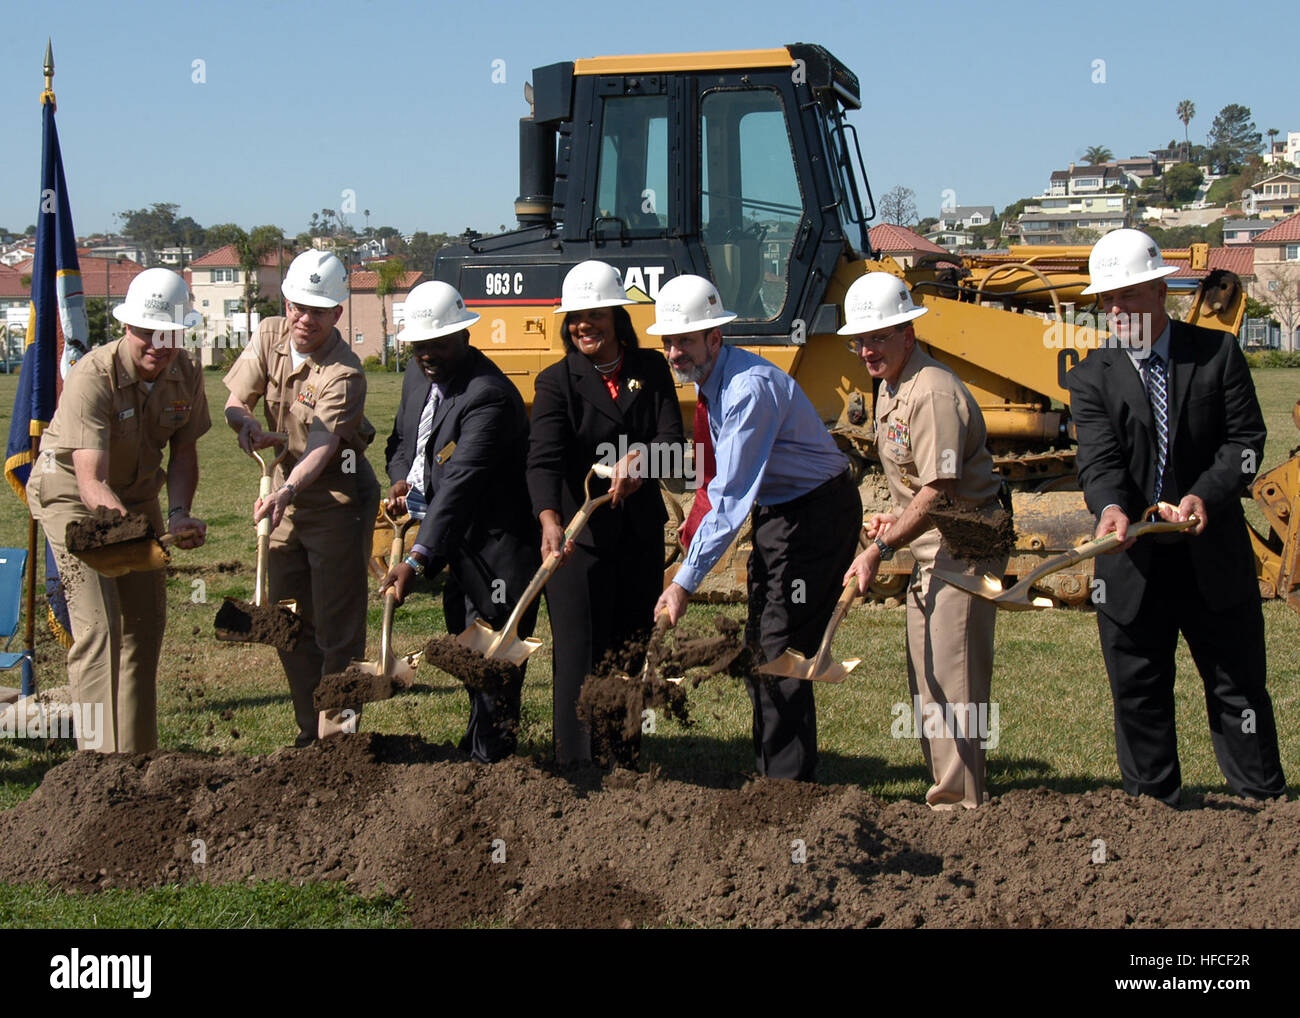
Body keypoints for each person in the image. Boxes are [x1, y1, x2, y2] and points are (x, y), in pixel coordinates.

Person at [1066, 228, 1285, 804]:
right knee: (1139, 694)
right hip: (1132, 566)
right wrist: (1111, 509)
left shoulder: (1217, 355)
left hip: (1214, 559)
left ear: (1161, 289)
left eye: (1128, 296)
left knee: (1237, 689)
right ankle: (1155, 815)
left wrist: (1203, 497)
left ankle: (1263, 807)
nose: (1116, 310)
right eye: (1106, 300)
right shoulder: (1090, 377)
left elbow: (1244, 445)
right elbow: (1099, 461)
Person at [650, 275, 860, 781]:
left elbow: (729, 498)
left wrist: (683, 582)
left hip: (815, 516)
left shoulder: (747, 391)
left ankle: (787, 789)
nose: (675, 352)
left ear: (714, 338)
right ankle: (775, 772)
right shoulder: (714, 383)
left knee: (779, 649)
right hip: (782, 511)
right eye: (669, 341)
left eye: (685, 340)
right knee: (761, 645)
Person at [840, 273, 1006, 809]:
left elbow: (939, 489)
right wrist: (893, 521)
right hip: (932, 544)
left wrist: (879, 549)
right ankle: (948, 790)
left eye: (879, 337)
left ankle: (960, 804)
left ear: (908, 332)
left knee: (952, 674)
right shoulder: (892, 385)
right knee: (927, 672)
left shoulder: (931, 391)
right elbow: (916, 488)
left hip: (966, 543)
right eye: (860, 340)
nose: (867, 349)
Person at [27, 268, 209, 753]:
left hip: (136, 494)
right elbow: (91, 480)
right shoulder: (93, 374)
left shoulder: (187, 373)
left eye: (167, 333)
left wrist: (177, 514)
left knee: (143, 630)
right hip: (72, 497)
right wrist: (133, 535)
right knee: (99, 630)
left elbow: (184, 452)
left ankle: (138, 760)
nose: (157, 344)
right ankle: (96, 768)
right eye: (146, 332)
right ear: (127, 327)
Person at [526, 261, 684, 764]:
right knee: (579, 654)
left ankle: (622, 757)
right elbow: (544, 460)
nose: (583, 325)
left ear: (617, 316)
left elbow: (675, 447)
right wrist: (550, 520)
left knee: (628, 649)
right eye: (575, 317)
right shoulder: (556, 382)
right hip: (580, 542)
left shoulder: (652, 370)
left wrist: (643, 459)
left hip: (638, 537)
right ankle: (574, 763)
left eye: (594, 314)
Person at [222, 250, 379, 748]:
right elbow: (234, 400)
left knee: (338, 628)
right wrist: (245, 424)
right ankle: (308, 733)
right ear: (285, 302)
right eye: (297, 306)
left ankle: (340, 740)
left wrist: (287, 490)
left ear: (337, 313)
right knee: (287, 621)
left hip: (336, 496)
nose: (304, 319)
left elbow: (321, 447)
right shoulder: (270, 333)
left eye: (318, 310)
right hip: (284, 497)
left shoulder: (345, 371)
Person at [379, 281, 541, 763]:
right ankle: (478, 752)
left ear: (465, 337)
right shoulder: (417, 375)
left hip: (498, 550)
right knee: (467, 653)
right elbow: (403, 441)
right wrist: (400, 480)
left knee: (493, 659)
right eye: (419, 345)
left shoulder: (487, 396)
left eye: (439, 344)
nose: (427, 354)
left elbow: (460, 486)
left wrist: (416, 558)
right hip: (457, 545)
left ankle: (494, 763)